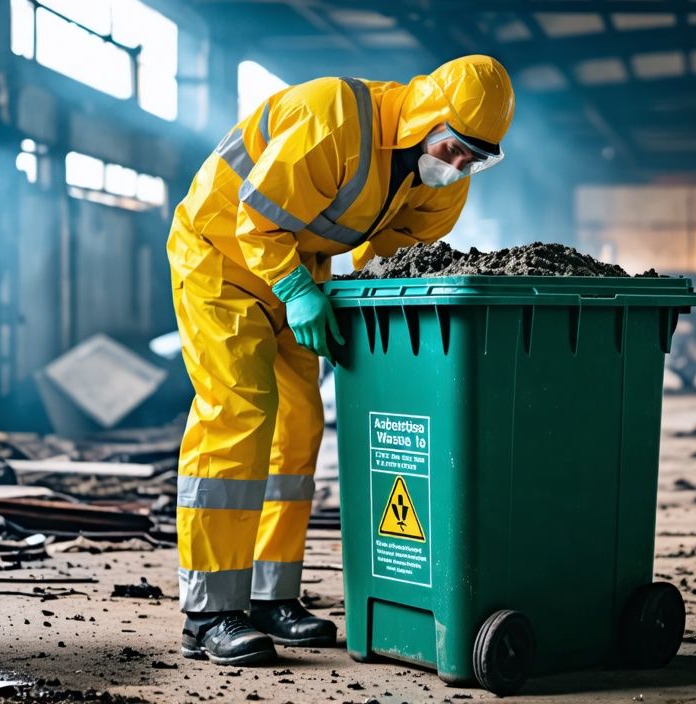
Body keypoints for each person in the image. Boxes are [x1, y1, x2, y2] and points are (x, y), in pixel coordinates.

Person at [166, 54, 514, 665]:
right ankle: (210, 611)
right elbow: (256, 215)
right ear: (427, 119)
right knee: (240, 413)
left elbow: (392, 263)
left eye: (474, 158)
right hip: (220, 257)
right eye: (455, 147)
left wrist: (347, 305)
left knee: (298, 425)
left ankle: (271, 597)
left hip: (299, 274)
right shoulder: (334, 121)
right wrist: (298, 291)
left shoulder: (435, 186)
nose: (459, 165)